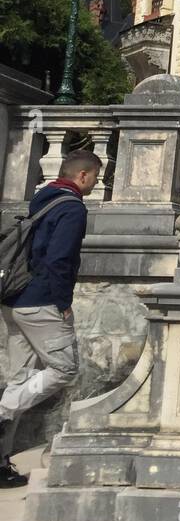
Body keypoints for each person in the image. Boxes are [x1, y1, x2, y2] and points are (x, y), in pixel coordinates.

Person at [0, 150, 101, 487]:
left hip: (13, 300)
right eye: (96, 177)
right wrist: (63, 302)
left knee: (20, 377)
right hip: (41, 301)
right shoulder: (72, 208)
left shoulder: (43, 198)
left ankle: (1, 464)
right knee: (64, 369)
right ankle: (2, 412)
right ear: (83, 176)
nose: (96, 183)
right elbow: (60, 258)